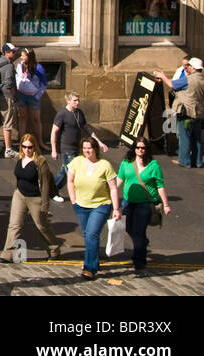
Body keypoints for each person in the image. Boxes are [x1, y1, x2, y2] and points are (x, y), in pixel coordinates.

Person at [0, 132, 62, 262]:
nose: (27, 150)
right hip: (20, 195)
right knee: (14, 225)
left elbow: (45, 185)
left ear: (35, 147)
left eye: (30, 147)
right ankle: (7, 254)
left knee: (42, 226)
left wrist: (45, 204)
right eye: (24, 146)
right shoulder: (19, 158)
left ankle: (54, 249)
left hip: (35, 198)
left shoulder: (40, 162)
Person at [66, 137, 121, 279]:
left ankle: (89, 268)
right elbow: (70, 181)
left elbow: (113, 189)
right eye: (84, 148)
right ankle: (95, 263)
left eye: (89, 148)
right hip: (81, 206)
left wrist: (115, 208)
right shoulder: (77, 162)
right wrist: (73, 200)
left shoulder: (105, 165)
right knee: (88, 235)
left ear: (95, 149)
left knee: (91, 234)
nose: (86, 151)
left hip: (101, 205)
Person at [117, 137, 169, 274]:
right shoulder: (126, 163)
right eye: (138, 147)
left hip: (145, 204)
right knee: (129, 228)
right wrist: (109, 194)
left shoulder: (153, 165)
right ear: (134, 148)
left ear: (147, 149)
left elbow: (160, 186)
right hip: (128, 202)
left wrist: (166, 204)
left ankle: (139, 263)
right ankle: (142, 244)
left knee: (139, 233)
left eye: (143, 148)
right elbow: (119, 180)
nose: (140, 150)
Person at [154, 57, 204, 167]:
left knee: (184, 138)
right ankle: (198, 162)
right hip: (199, 114)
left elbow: (171, 84)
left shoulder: (188, 79)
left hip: (186, 113)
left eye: (188, 65)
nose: (186, 67)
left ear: (193, 67)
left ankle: (184, 161)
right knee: (196, 139)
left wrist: (162, 76)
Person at [51, 92, 107, 199]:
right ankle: (54, 191)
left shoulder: (79, 113)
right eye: (75, 100)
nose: (78, 102)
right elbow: (54, 131)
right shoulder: (62, 114)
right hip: (67, 148)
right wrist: (54, 150)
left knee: (66, 170)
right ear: (68, 101)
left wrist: (99, 142)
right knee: (70, 170)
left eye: (78, 100)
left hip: (77, 147)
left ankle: (51, 189)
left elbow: (87, 128)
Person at [0, 43, 20, 158]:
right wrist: (12, 96)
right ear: (7, 52)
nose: (15, 53)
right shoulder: (9, 65)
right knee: (8, 122)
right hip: (5, 97)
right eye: (13, 51)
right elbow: (9, 83)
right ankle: (8, 149)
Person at [14, 48, 47, 146]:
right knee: (22, 117)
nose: (21, 57)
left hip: (33, 97)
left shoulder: (38, 68)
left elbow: (44, 83)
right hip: (21, 95)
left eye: (23, 55)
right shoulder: (20, 65)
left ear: (29, 56)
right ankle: (21, 142)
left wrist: (38, 95)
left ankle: (40, 142)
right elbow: (17, 78)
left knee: (35, 119)